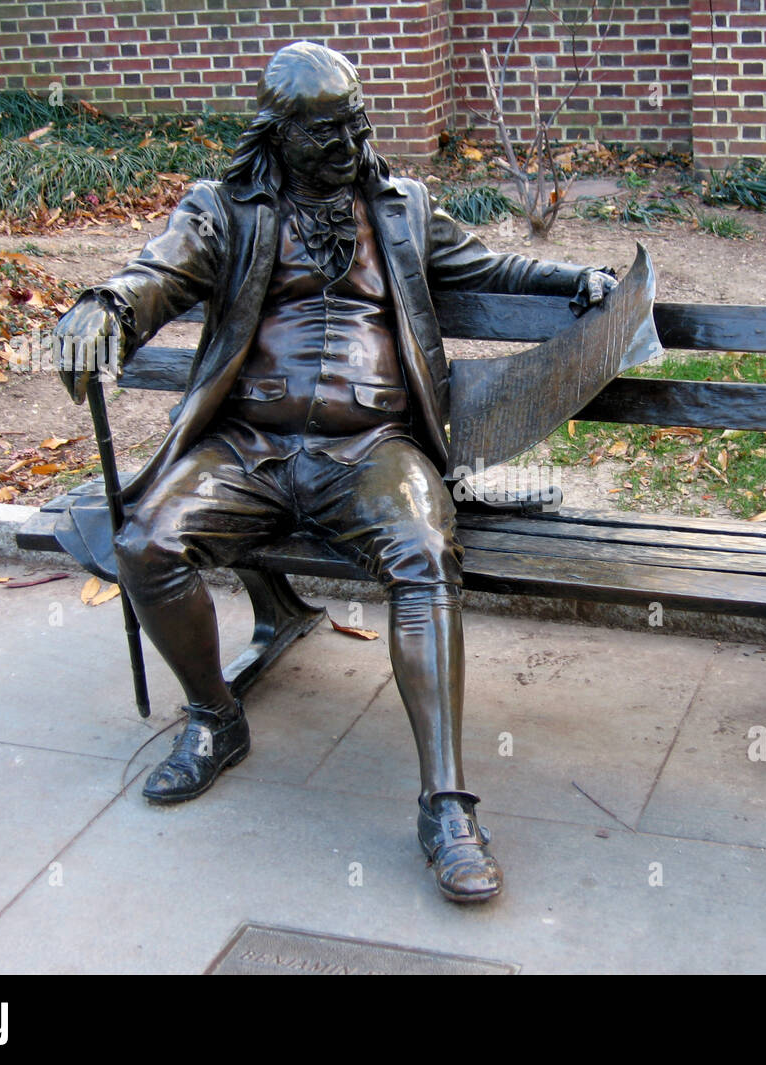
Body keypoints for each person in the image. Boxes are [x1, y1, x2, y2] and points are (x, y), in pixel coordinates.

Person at [54, 41, 616, 903]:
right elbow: (154, 275)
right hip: (247, 448)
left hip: (372, 450)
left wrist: (573, 276)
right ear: (276, 133)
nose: (348, 143)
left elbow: (489, 264)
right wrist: (105, 308)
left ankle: (446, 805)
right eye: (324, 131)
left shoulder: (399, 207)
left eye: (356, 123)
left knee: (425, 555)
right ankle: (213, 717)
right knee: (146, 541)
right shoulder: (223, 210)